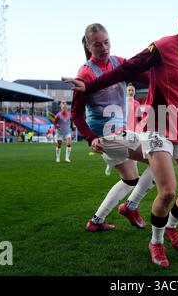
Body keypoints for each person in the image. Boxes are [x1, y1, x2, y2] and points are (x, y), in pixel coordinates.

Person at [66, 3, 178, 268]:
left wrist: (163, 72)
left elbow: (141, 72)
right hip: (117, 132)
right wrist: (90, 134)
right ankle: (153, 238)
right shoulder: (88, 71)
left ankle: (152, 220)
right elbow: (125, 72)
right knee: (161, 188)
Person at [65, 23, 154, 232]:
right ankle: (131, 207)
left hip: (117, 131)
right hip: (106, 134)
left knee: (130, 180)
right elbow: (76, 114)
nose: (104, 48)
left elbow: (146, 76)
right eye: (98, 44)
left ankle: (96, 221)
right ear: (88, 46)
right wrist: (90, 138)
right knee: (160, 157)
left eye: (107, 42)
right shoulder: (85, 73)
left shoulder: (118, 62)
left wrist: (165, 76)